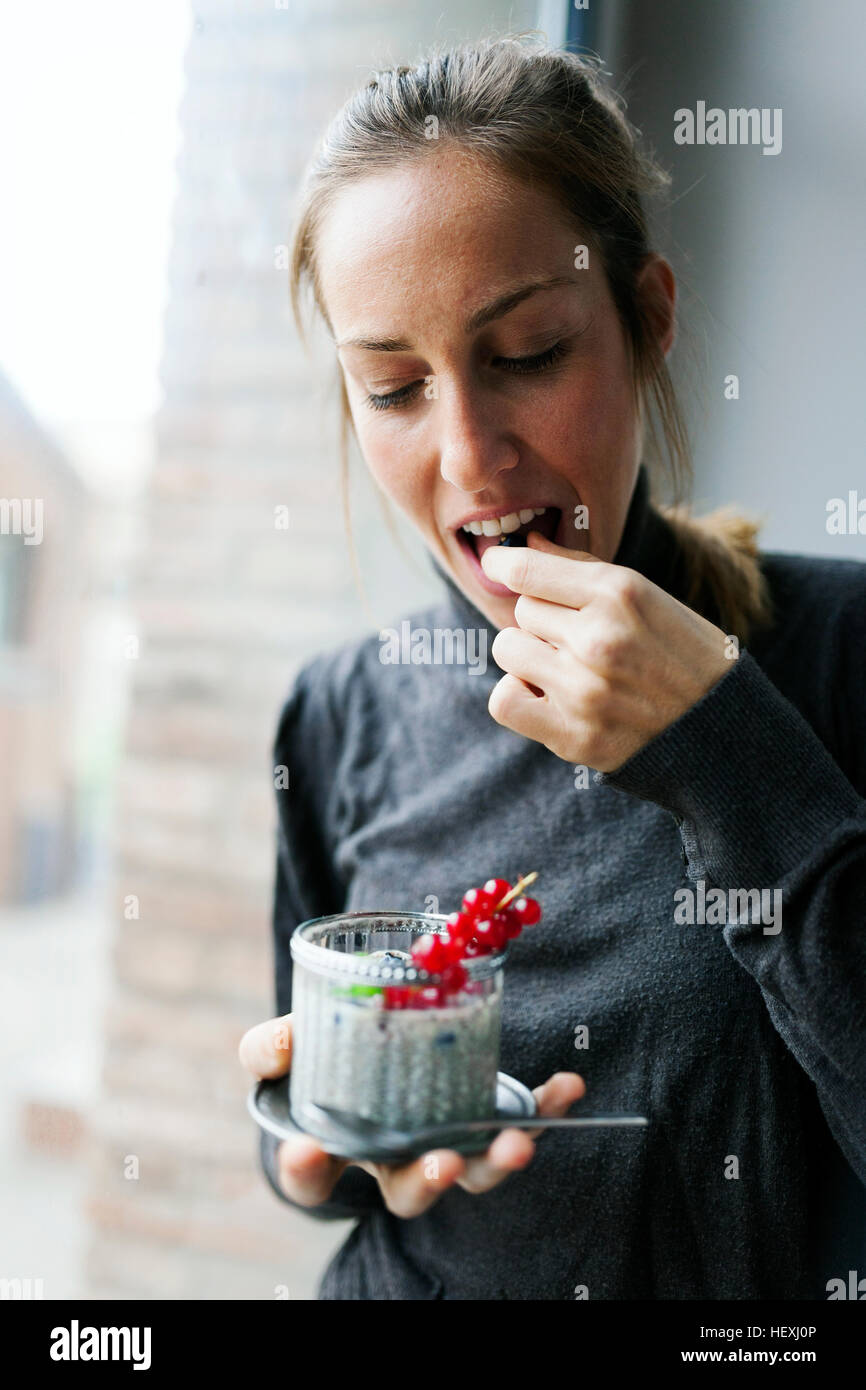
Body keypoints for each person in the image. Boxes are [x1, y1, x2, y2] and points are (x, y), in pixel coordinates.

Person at [238, 37, 866, 1300]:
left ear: (646, 320)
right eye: (395, 386)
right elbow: (317, 1128)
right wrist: (315, 1147)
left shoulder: (838, 652)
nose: (469, 455)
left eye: (525, 352)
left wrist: (727, 749)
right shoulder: (335, 714)